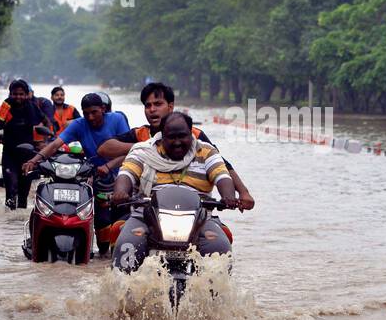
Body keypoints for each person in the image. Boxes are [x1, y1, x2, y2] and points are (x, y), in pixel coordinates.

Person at [96, 82, 256, 210]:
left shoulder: (195, 136)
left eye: (157, 104)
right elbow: (104, 149)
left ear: (170, 107)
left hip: (192, 207)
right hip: (149, 207)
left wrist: (243, 192)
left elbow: (221, 166)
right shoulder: (141, 137)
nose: (152, 110)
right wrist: (147, 148)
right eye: (148, 105)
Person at [110, 112, 238, 272]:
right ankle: (122, 291)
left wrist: (229, 196)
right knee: (126, 245)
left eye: (182, 136)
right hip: (146, 216)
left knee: (219, 247)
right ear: (162, 136)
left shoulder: (206, 152)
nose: (177, 142)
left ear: (191, 134)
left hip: (201, 218)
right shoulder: (143, 152)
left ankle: (214, 295)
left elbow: (222, 176)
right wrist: (120, 192)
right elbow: (126, 174)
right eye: (171, 137)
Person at [22, 92, 130, 178]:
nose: (90, 117)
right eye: (86, 113)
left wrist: (108, 166)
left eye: (94, 112)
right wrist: (33, 161)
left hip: (121, 173)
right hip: (95, 174)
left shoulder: (117, 119)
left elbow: (130, 151)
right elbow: (55, 145)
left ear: (103, 109)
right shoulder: (79, 124)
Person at [0, 80, 56, 209]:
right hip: (9, 153)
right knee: (11, 189)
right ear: (10, 94)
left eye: (21, 94)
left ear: (27, 94)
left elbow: (47, 123)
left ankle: (18, 223)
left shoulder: (33, 107)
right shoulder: (5, 107)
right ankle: (7, 223)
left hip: (28, 155)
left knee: (23, 194)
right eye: (15, 94)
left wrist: (43, 142)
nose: (18, 97)